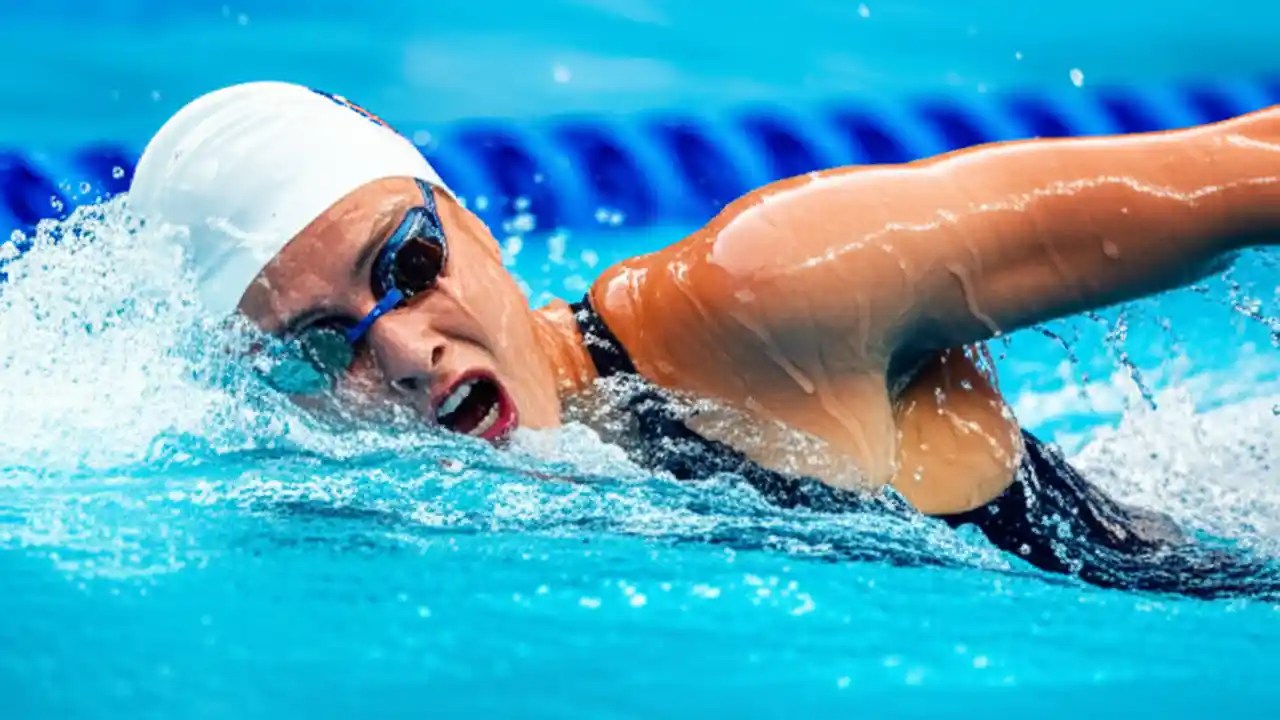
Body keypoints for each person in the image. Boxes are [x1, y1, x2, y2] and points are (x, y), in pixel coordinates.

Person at [127, 81, 1279, 597]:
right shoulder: (369, 526)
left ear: (465, 217)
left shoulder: (769, 292)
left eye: (407, 266)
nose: (400, 352)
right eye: (317, 348)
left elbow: (1243, 171)